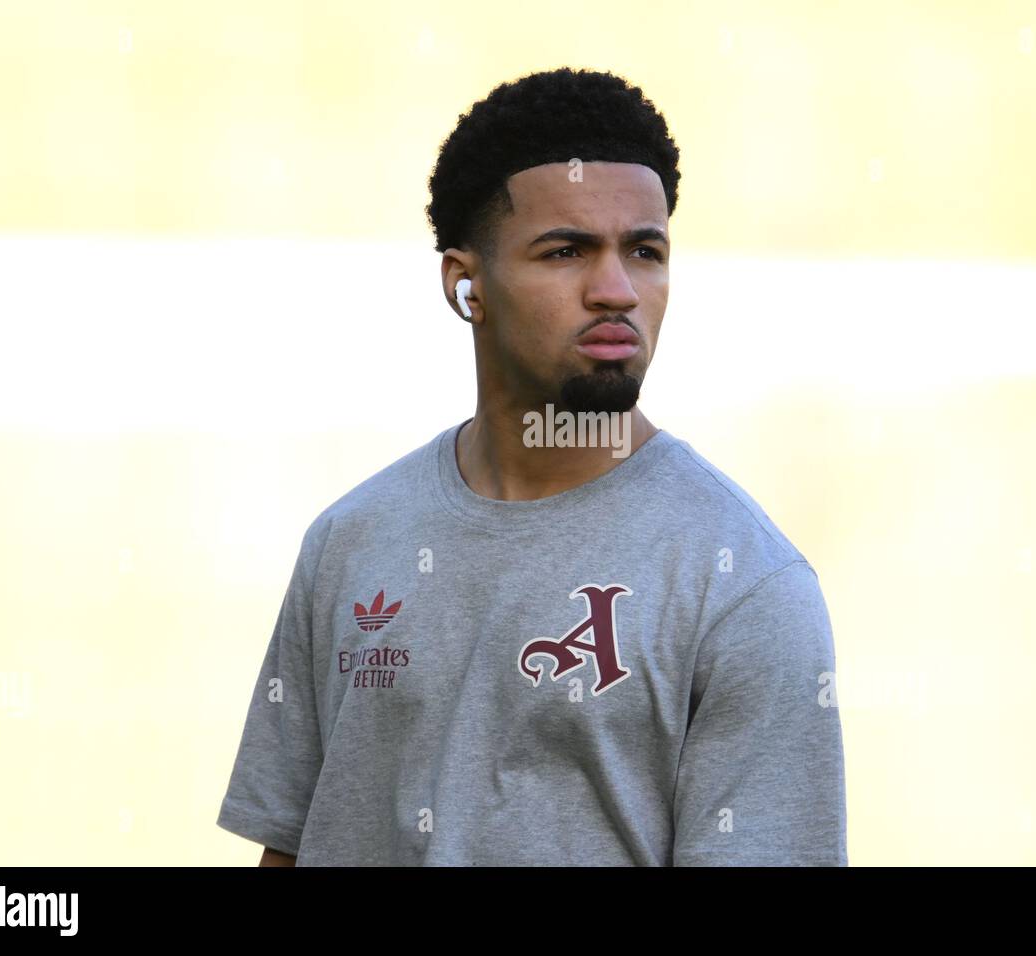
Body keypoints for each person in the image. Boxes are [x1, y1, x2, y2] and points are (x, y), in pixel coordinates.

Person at [216, 66, 847, 866]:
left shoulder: (745, 584)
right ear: (466, 285)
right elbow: (294, 846)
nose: (616, 289)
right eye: (566, 251)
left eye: (644, 251)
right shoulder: (351, 542)